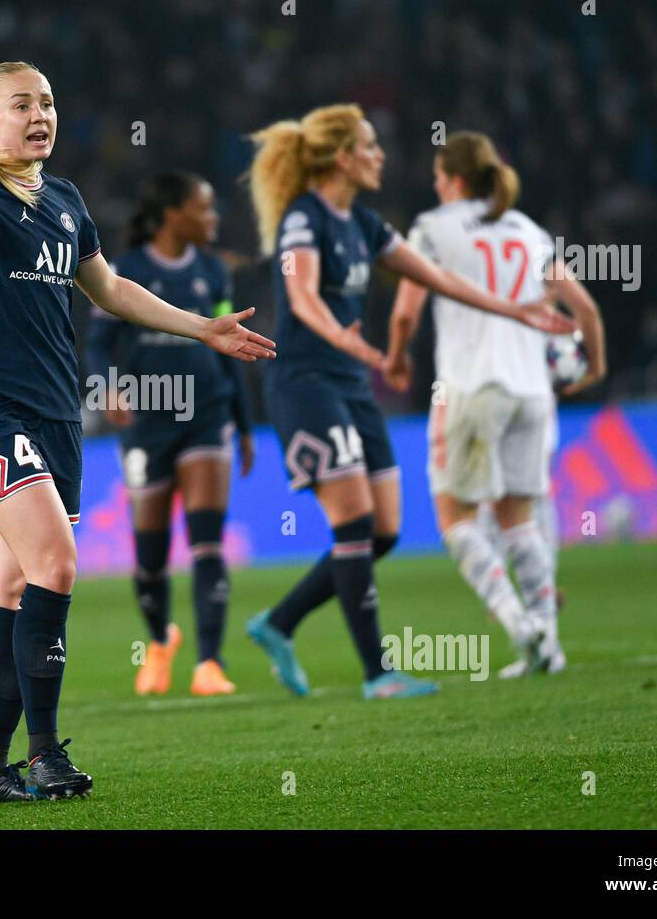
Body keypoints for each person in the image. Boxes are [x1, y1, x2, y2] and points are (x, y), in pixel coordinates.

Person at [0, 61, 275, 804]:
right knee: (57, 563)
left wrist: (202, 328)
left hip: (55, 415)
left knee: (17, 588)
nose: (40, 114)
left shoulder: (67, 201)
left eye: (48, 101)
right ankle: (43, 751)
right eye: (22, 104)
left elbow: (109, 288)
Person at [242, 105, 572, 699]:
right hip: (306, 385)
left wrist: (514, 308)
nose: (380, 155)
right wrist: (339, 333)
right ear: (342, 157)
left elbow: (441, 279)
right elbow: (302, 293)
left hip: (351, 385)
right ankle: (378, 674)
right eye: (369, 145)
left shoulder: (364, 224)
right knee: (354, 521)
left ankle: (278, 622)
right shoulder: (303, 218)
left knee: (385, 531)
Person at [384, 131, 606, 677]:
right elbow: (586, 309)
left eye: (439, 178)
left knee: (455, 517)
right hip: (533, 392)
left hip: (470, 387)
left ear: (454, 180)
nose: (436, 188)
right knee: (521, 520)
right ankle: (548, 643)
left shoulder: (434, 230)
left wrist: (395, 358)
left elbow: (406, 313)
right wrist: (595, 366)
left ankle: (519, 625)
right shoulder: (527, 230)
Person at [86, 171, 254, 698]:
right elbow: (96, 344)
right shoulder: (124, 271)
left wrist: (244, 425)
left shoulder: (213, 273)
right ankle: (161, 641)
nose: (213, 218)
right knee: (151, 556)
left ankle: (209, 662)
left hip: (207, 416)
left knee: (208, 543)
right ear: (172, 214)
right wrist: (105, 387)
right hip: (147, 421)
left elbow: (235, 352)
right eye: (204, 208)